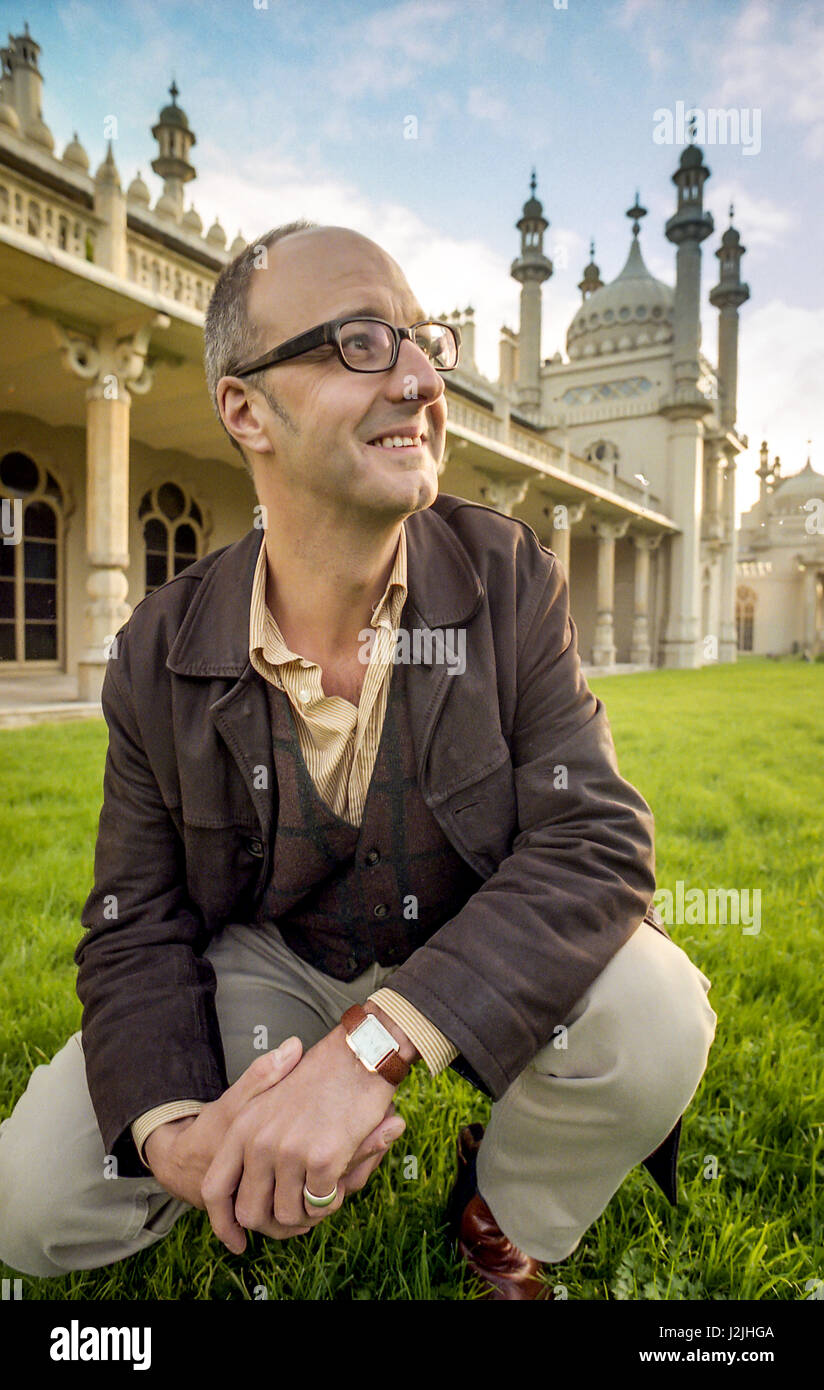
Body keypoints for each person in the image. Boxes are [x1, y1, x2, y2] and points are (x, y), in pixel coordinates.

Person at [0, 222, 717, 1299]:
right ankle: (253, 1141)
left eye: (421, 341)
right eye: (361, 343)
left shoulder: (504, 574)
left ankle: (498, 1205)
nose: (423, 380)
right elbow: (133, 922)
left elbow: (594, 839)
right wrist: (179, 1139)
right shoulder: (158, 648)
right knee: (32, 1204)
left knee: (654, 1013)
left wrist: (368, 1051)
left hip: (475, 922)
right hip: (280, 957)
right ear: (246, 410)